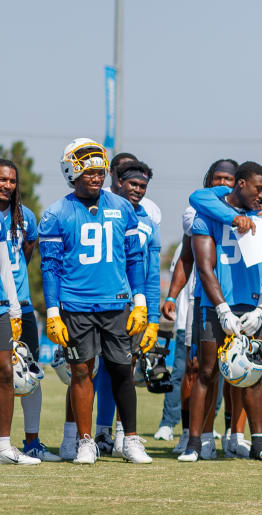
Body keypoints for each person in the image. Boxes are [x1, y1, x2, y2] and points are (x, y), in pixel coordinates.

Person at [37, 138, 149, 464]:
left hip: (116, 301)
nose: (96, 177)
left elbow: (134, 258)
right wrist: (54, 311)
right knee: (80, 371)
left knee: (121, 371)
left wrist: (140, 300)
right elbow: (50, 268)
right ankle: (86, 442)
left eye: (100, 171)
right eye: (89, 172)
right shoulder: (57, 213)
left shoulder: (122, 206)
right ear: (72, 172)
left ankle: (130, 440)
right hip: (75, 303)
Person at [183, 161, 262, 462]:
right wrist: (222, 309)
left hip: (253, 304)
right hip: (215, 304)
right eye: (258, 189)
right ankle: (194, 443)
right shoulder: (208, 214)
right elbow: (204, 267)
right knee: (207, 371)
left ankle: (258, 444)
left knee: (253, 372)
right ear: (240, 184)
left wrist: (261, 309)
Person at [157, 159, 239, 456]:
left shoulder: (245, 209)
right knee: (195, 368)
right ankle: (188, 432)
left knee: (228, 370)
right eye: (217, 178)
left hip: (237, 299)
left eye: (228, 178)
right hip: (199, 299)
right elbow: (187, 258)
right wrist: (171, 295)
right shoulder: (198, 210)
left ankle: (214, 432)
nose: (223, 183)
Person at [92, 159, 163, 457]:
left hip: (132, 304)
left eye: (142, 184)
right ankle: (94, 434)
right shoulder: (96, 210)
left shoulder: (149, 218)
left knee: (124, 369)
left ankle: (123, 437)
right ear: (116, 180)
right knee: (91, 370)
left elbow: (152, 273)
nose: (137, 189)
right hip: (95, 301)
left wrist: (153, 317)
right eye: (132, 182)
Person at [0, 159, 56, 462]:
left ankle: (32, 441)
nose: (7, 185)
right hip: (1, 307)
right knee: (4, 374)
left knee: (29, 373)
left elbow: (26, 253)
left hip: (20, 305)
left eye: (11, 180)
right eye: (2, 179)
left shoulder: (26, 217)